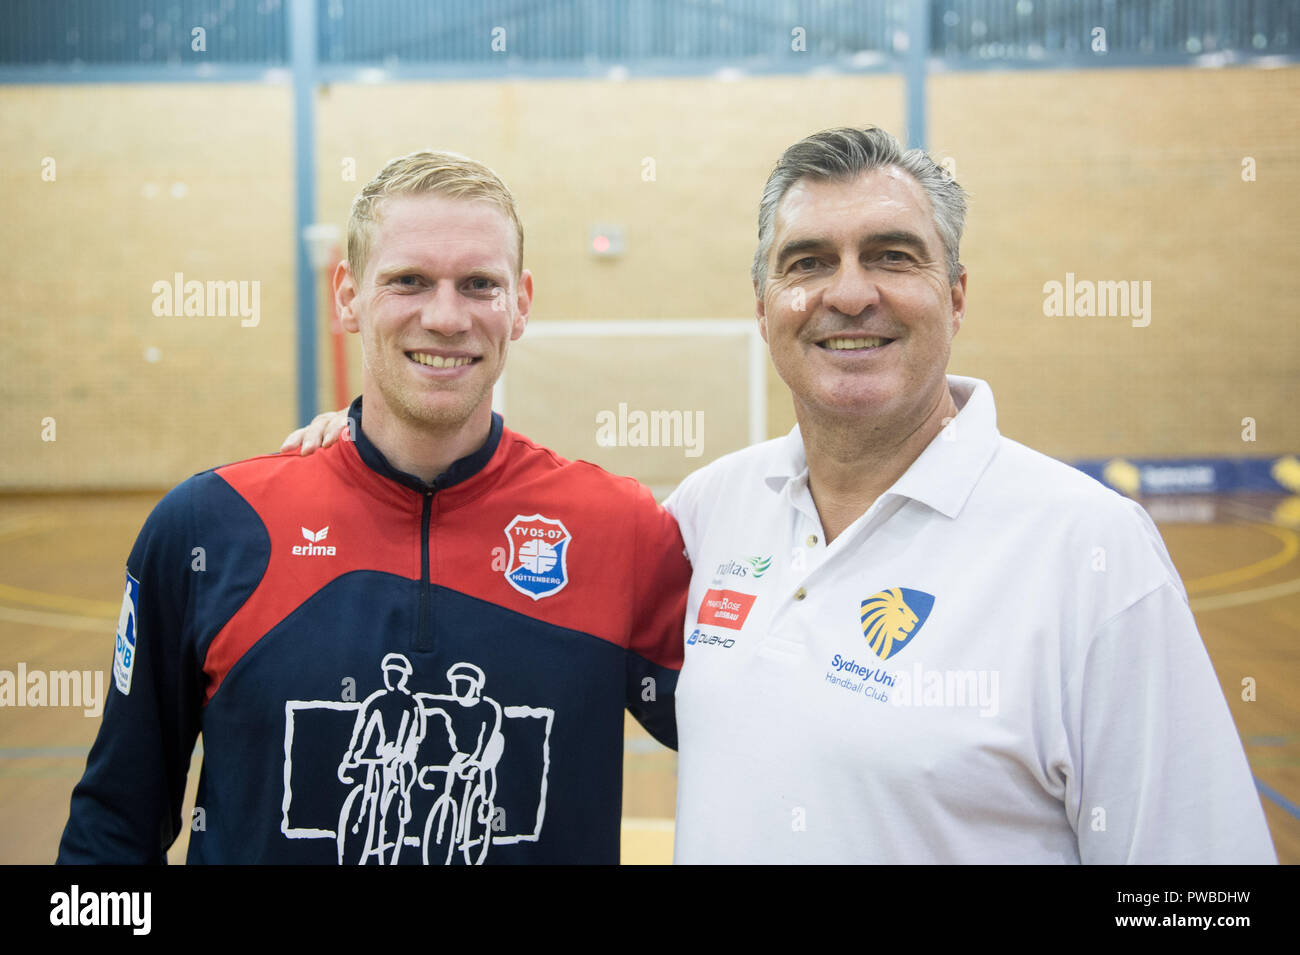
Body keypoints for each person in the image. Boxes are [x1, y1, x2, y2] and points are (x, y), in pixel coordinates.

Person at [287, 128, 1277, 864]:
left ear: (958, 295)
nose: (848, 294)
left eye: (890, 255)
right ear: (762, 306)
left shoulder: (1089, 551)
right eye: (807, 263)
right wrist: (362, 453)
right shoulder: (709, 514)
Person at [58, 151, 689, 864]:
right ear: (348, 297)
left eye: (479, 283)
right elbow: (113, 828)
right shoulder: (210, 526)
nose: (445, 316)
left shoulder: (619, 529)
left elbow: (767, 733)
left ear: (520, 304)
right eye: (409, 281)